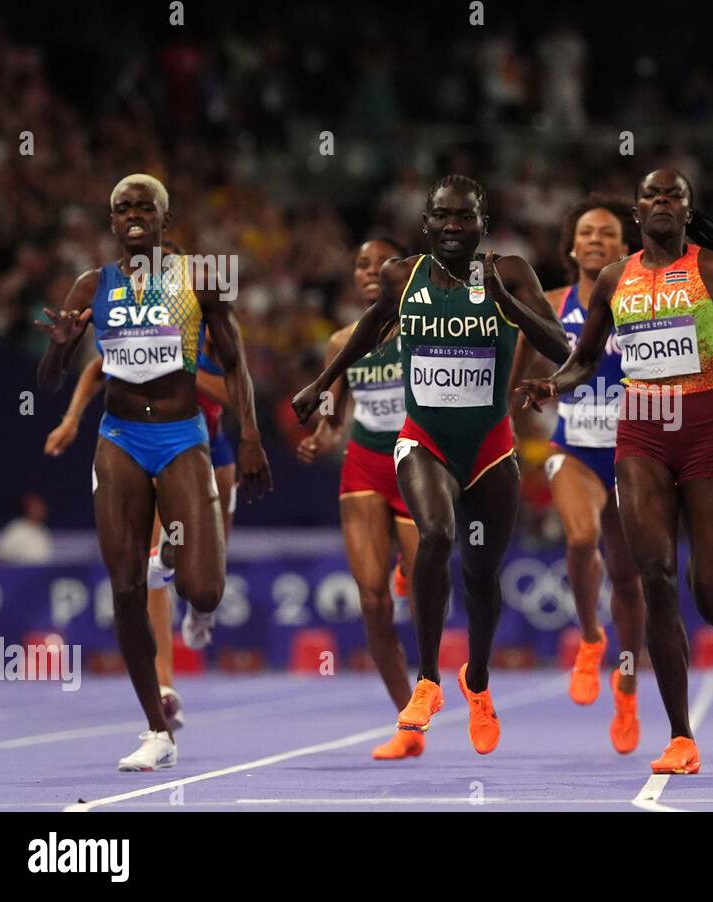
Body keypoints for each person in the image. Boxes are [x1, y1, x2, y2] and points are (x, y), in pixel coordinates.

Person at [292, 175, 569, 755]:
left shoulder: (509, 270)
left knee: (482, 577)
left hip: (492, 450)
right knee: (437, 535)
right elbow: (370, 327)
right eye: (442, 216)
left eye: (463, 217)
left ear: (481, 220)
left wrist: (507, 302)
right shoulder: (403, 276)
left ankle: (479, 680)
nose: (452, 226)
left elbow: (561, 348)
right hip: (424, 440)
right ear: (425, 222)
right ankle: (426, 681)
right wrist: (320, 382)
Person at [517, 169, 713, 775]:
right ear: (639, 211)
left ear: (686, 210)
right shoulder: (615, 278)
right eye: (652, 196)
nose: (662, 203)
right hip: (637, 434)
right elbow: (583, 361)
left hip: (704, 435)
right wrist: (550, 385)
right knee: (653, 574)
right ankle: (681, 737)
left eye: (674, 196)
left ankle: (704, 553)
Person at [36, 174, 271, 771]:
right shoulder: (94, 285)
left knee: (205, 588)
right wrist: (62, 346)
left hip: (182, 436)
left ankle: (171, 560)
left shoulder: (197, 278)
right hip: (119, 439)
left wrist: (250, 435)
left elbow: (237, 359)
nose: (134, 215)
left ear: (167, 221)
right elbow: (50, 378)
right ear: (112, 221)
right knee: (124, 588)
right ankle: (156, 729)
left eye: (147, 207)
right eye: (123, 208)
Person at [44, 240, 240, 732]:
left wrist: (181, 368)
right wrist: (71, 420)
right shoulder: (138, 315)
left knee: (209, 565)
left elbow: (235, 388)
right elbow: (95, 367)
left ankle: (199, 609)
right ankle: (165, 684)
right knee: (153, 565)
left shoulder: (205, 318)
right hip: (158, 441)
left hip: (210, 445)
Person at [506, 197, 647, 753]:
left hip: (636, 450)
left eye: (607, 234)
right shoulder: (556, 304)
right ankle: (590, 638)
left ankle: (629, 690)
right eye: (586, 232)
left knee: (631, 579)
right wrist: (508, 420)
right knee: (581, 536)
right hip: (575, 447)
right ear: (571, 246)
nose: (595, 241)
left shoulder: (640, 301)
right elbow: (523, 364)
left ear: (624, 248)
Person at [297, 237, 424, 760]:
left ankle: (406, 570)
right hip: (365, 464)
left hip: (419, 462)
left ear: (404, 273)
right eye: (361, 264)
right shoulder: (343, 341)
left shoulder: (426, 330)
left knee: (424, 591)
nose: (370, 271)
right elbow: (333, 412)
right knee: (372, 601)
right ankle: (408, 722)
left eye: (381, 264)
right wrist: (323, 436)